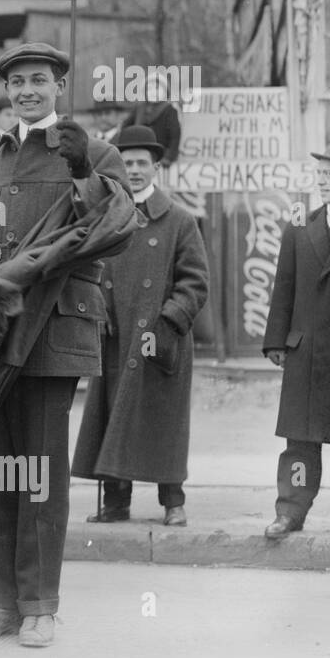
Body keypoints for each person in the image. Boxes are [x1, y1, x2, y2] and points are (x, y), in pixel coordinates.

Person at [0, 42, 132, 648]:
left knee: (39, 470)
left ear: (59, 85)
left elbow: (117, 226)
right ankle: (0, 600)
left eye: (39, 80)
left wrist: (84, 171)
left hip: (53, 328)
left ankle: (40, 605)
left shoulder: (92, 150)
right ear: (7, 93)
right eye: (18, 83)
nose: (28, 91)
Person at [73, 126, 208, 527]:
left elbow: (195, 282)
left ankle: (173, 501)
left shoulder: (179, 220)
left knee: (163, 420)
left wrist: (169, 320)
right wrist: (97, 311)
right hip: (115, 335)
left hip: (160, 337)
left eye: (140, 163)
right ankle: (116, 502)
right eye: (126, 162)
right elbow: (88, 272)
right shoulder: (107, 217)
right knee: (113, 413)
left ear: (155, 168)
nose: (133, 170)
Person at [261, 136, 330, 539]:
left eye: (329, 174)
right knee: (300, 442)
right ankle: (290, 512)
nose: (321, 181)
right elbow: (284, 286)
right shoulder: (300, 226)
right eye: (319, 173)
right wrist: (277, 342)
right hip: (307, 351)